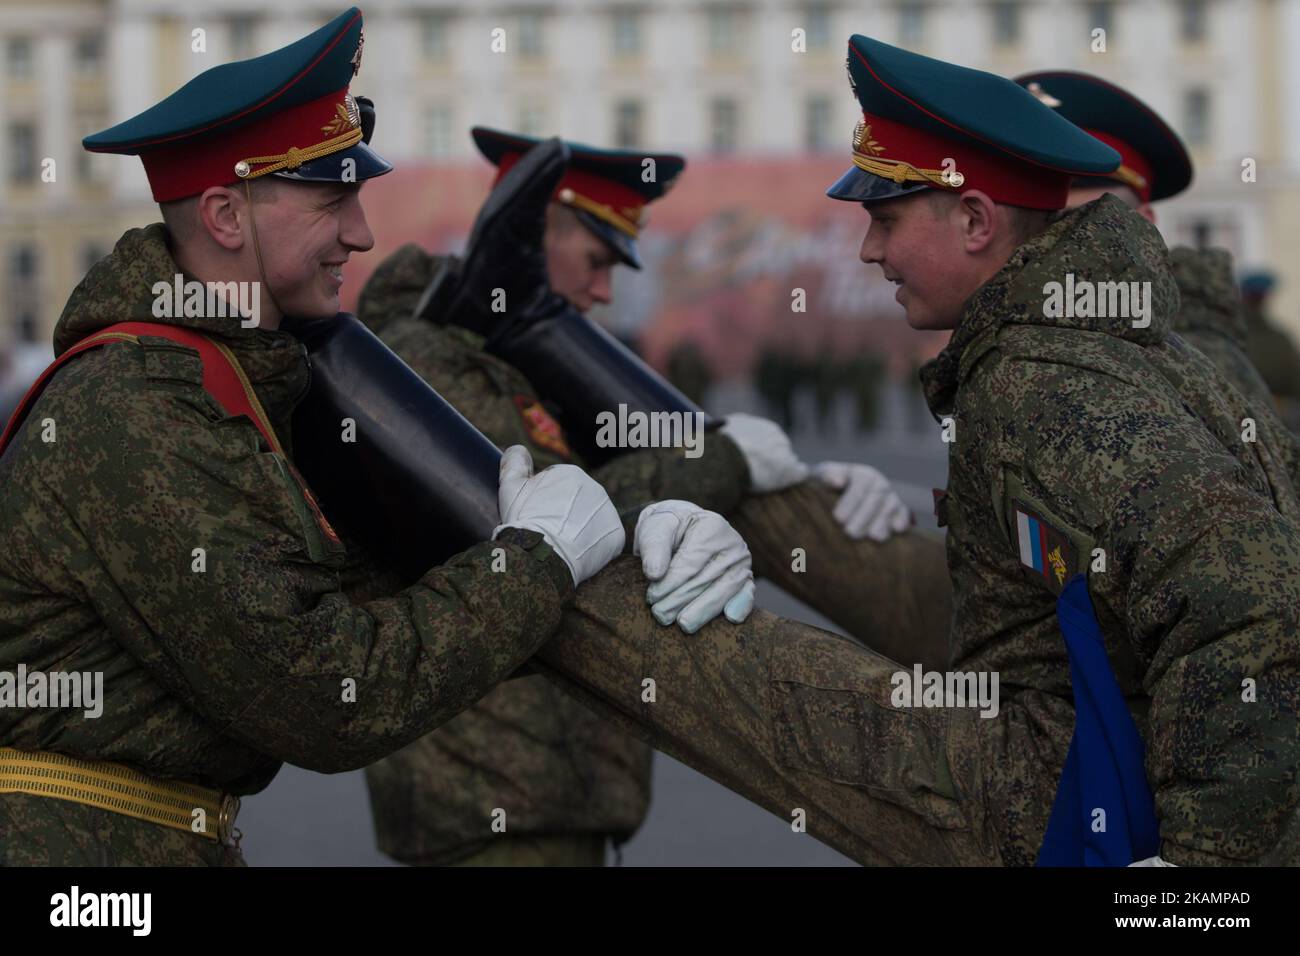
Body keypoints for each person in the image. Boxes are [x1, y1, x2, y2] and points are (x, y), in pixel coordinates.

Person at [516, 35, 1300, 866]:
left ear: (973, 219)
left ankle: (518, 554)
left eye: (885, 221)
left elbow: (1254, 601)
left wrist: (1202, 873)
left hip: (1067, 791)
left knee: (727, 675)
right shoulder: (1071, 344)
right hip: (1077, 756)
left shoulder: (1042, 377)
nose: (867, 251)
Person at [0, 7, 751, 866]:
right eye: (332, 201)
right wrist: (537, 558)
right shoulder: (141, 406)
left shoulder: (227, 383)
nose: (361, 233)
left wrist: (630, 524)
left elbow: (358, 582)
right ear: (225, 217)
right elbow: (324, 692)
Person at [357, 128, 947, 866]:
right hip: (493, 792)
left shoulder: (518, 361)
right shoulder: (424, 357)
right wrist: (725, 460)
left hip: (555, 781)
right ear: (534, 231)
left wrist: (802, 480)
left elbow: (634, 468)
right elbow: (545, 516)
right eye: (597, 260)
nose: (603, 291)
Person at [1015, 70, 1286, 422]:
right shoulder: (1001, 338)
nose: (1069, 241)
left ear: (1146, 220)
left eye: (1096, 222)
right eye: (1051, 220)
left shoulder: (1206, 366)